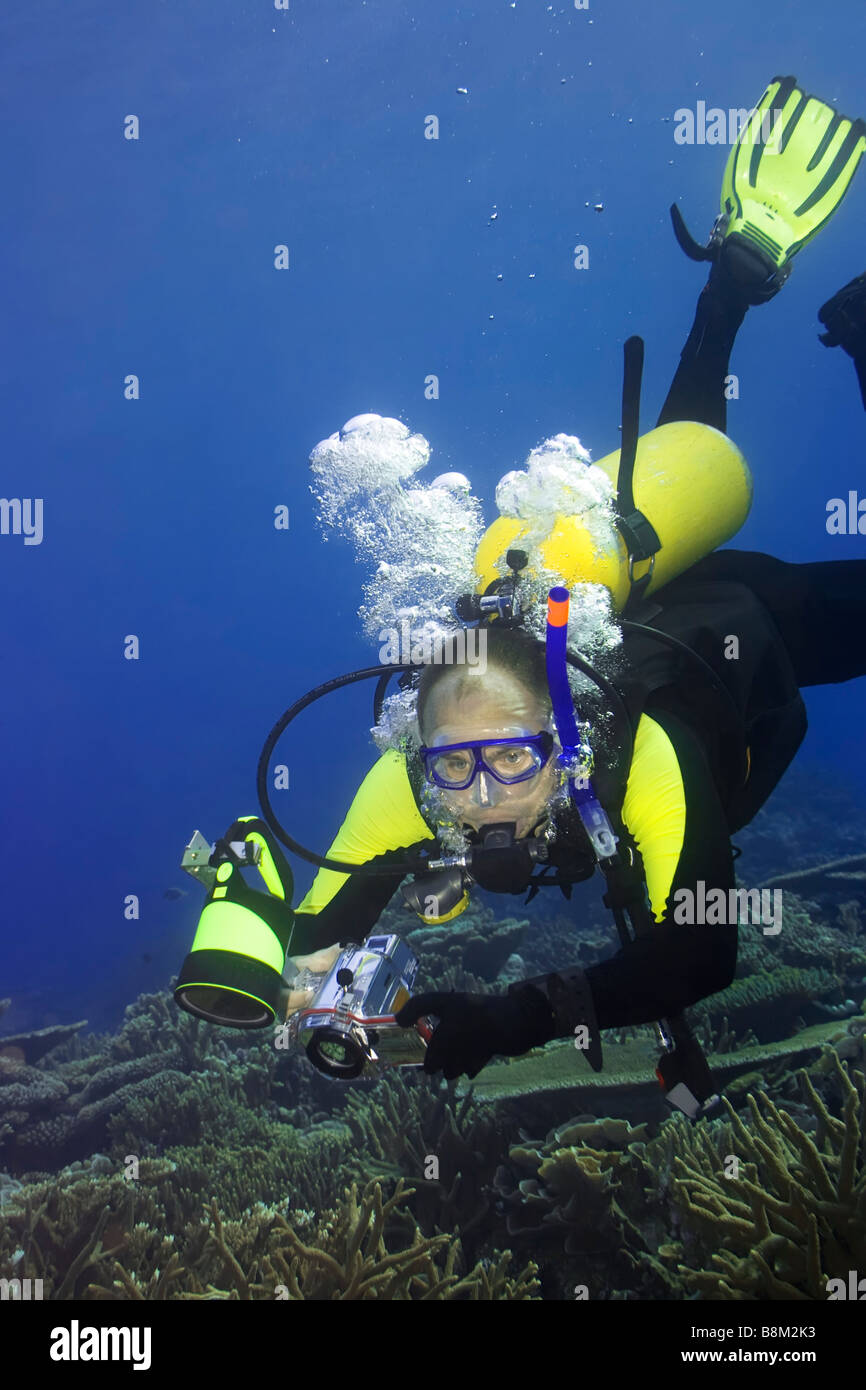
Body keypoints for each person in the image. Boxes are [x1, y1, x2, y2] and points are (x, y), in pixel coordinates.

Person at [285, 76, 866, 1086]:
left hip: (749, 627)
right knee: (640, 498)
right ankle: (728, 284)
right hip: (628, 592)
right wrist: (291, 971)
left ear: (563, 731)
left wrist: (515, 1017)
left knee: (678, 487)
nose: (479, 798)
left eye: (511, 758)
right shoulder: (418, 778)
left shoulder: (641, 749)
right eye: (452, 771)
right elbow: (313, 932)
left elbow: (702, 947)